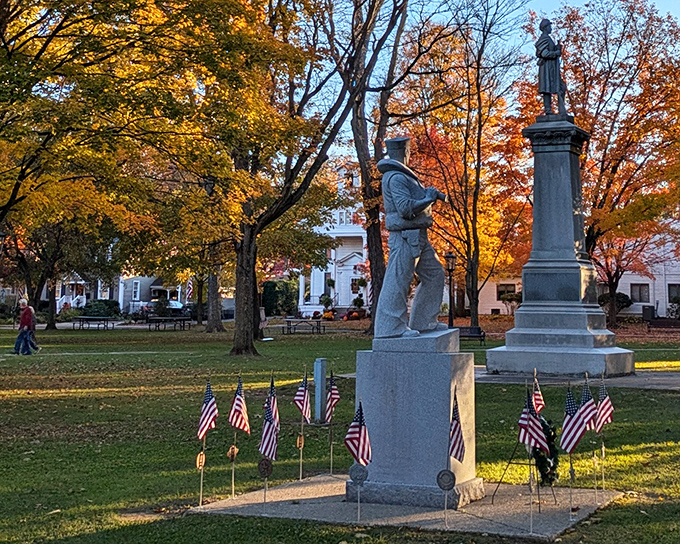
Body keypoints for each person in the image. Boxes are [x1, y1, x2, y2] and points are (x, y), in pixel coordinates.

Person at [374, 137, 447, 338]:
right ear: (404, 152)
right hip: (405, 237)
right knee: (399, 280)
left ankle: (425, 322)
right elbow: (405, 209)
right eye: (408, 151)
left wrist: (426, 197)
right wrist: (428, 199)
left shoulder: (406, 177)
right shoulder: (396, 178)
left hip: (419, 236)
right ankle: (390, 328)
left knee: (435, 274)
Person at [536, 18, 567, 115]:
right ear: (545, 28)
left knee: (561, 87)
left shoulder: (548, 39)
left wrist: (557, 48)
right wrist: (556, 52)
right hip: (547, 68)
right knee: (547, 89)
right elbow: (544, 53)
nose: (551, 28)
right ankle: (548, 110)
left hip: (551, 68)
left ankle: (560, 109)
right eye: (549, 26)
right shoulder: (544, 39)